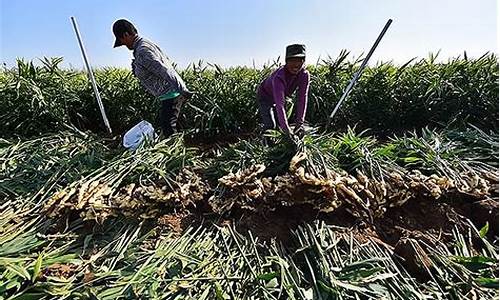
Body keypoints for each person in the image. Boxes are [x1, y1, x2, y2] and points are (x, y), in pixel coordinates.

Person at [112, 19, 193, 137]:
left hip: (171, 93)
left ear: (126, 35)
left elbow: (163, 69)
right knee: (172, 126)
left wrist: (182, 89)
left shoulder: (142, 50)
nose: (124, 44)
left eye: (122, 41)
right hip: (170, 93)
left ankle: (176, 154)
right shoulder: (144, 44)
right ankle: (181, 150)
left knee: (168, 128)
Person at [257, 44, 310, 141]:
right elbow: (279, 105)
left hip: (280, 96)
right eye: (292, 60)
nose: (296, 64)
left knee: (280, 124)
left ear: (303, 61)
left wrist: (300, 124)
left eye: (299, 60)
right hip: (265, 95)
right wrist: (287, 131)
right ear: (286, 61)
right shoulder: (279, 77)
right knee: (271, 125)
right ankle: (266, 143)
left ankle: (280, 143)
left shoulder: (304, 75)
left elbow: (302, 99)